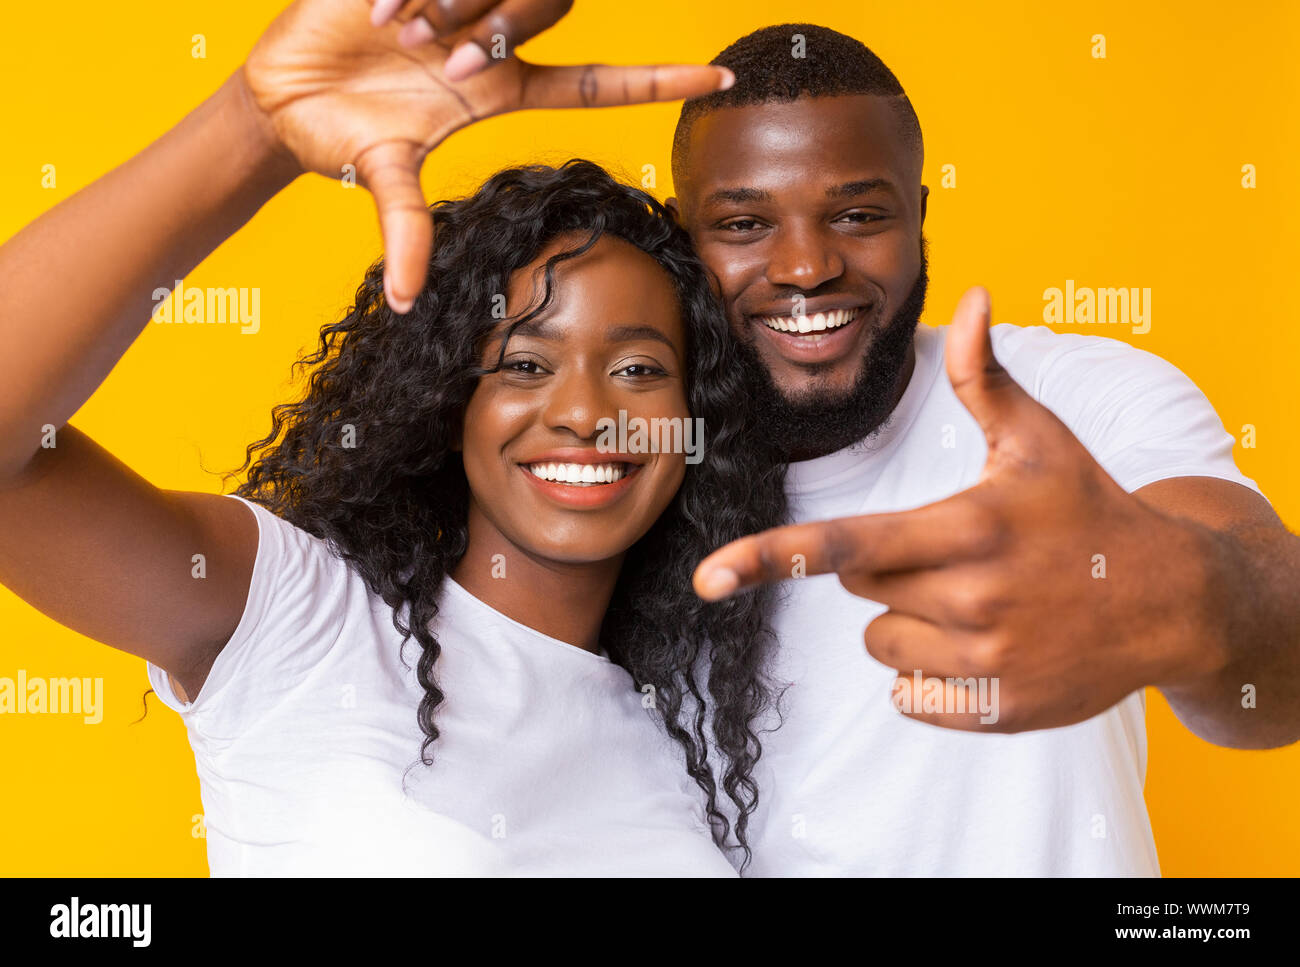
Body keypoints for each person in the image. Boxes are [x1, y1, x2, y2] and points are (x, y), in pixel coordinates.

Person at [377, 6, 1300, 875]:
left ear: (922, 218)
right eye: (744, 225)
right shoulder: (617, 468)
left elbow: (1277, 640)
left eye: (858, 215)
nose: (807, 269)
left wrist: (1172, 596)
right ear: (683, 239)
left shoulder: (1068, 403)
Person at [0, 1, 792, 875]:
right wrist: (255, 130)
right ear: (451, 402)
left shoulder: (679, 758)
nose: (582, 411)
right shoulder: (305, 618)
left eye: (640, 369)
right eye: (525, 365)